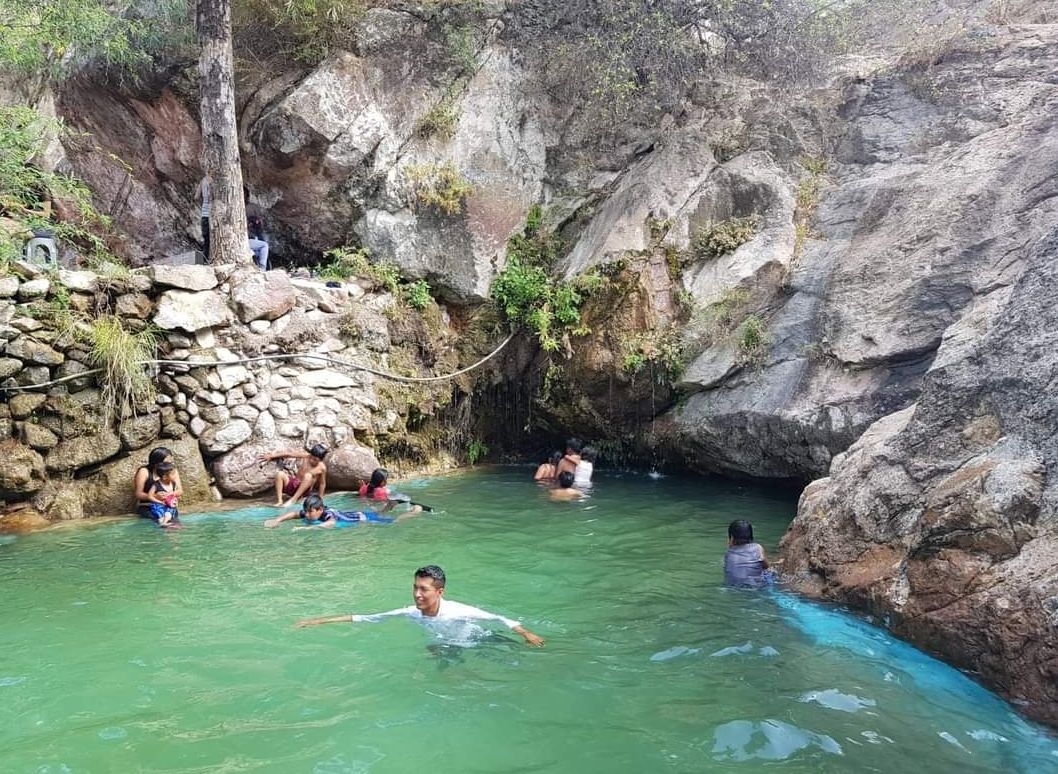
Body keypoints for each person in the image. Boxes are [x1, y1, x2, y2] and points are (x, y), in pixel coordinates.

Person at [297, 565, 545, 647]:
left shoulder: (458, 610)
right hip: (446, 646)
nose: (417, 594)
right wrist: (317, 621)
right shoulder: (410, 612)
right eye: (415, 587)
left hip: (479, 640)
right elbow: (364, 617)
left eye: (423, 589)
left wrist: (526, 633)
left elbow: (499, 619)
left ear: (440, 592)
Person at [264, 494, 420, 529]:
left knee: (393, 522)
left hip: (361, 519)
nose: (308, 514)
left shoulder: (327, 514)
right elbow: (293, 514)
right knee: (381, 513)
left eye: (311, 512)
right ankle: (390, 505)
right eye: (307, 511)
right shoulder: (310, 512)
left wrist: (306, 528)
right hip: (354, 514)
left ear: (320, 509)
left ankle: (414, 511)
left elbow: (330, 524)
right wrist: (277, 520)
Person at [259, 444, 328, 507]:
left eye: (315, 460)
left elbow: (322, 483)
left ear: (320, 460)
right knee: (279, 474)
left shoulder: (322, 468)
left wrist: (320, 499)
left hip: (303, 492)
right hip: (293, 485)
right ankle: (279, 501)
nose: (312, 460)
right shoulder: (306, 456)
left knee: (308, 476)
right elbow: (289, 454)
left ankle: (293, 500)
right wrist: (271, 456)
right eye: (311, 458)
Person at [133, 447, 184, 519]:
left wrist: (170, 494)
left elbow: (180, 491)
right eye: (167, 462)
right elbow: (138, 494)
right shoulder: (144, 471)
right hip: (149, 506)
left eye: (171, 462)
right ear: (157, 462)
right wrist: (155, 496)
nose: (170, 464)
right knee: (160, 521)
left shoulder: (172, 471)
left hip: (168, 505)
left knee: (173, 522)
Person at [724, 519, 774, 588]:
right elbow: (767, 567)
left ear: (731, 538)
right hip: (755, 585)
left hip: (733, 586)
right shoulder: (757, 548)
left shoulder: (728, 554)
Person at [148, 462, 182, 528]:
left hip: (169, 506)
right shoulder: (156, 485)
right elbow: (150, 496)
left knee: (170, 513)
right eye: (173, 474)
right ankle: (163, 523)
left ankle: (166, 523)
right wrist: (160, 502)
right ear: (164, 477)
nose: (175, 475)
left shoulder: (173, 483)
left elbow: (175, 495)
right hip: (159, 506)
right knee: (163, 515)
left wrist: (176, 499)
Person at [246, 195, 269, 270]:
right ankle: (262, 268)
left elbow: (260, 224)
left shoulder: (253, 207)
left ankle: (257, 267)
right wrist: (249, 222)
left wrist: (257, 221)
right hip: (244, 240)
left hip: (253, 238)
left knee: (259, 252)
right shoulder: (237, 210)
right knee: (264, 246)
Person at [197, 176, 210, 259]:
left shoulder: (203, 180)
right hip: (212, 214)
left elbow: (196, 196)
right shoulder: (214, 181)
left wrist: (204, 201)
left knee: (206, 239)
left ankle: (205, 259)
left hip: (204, 214)